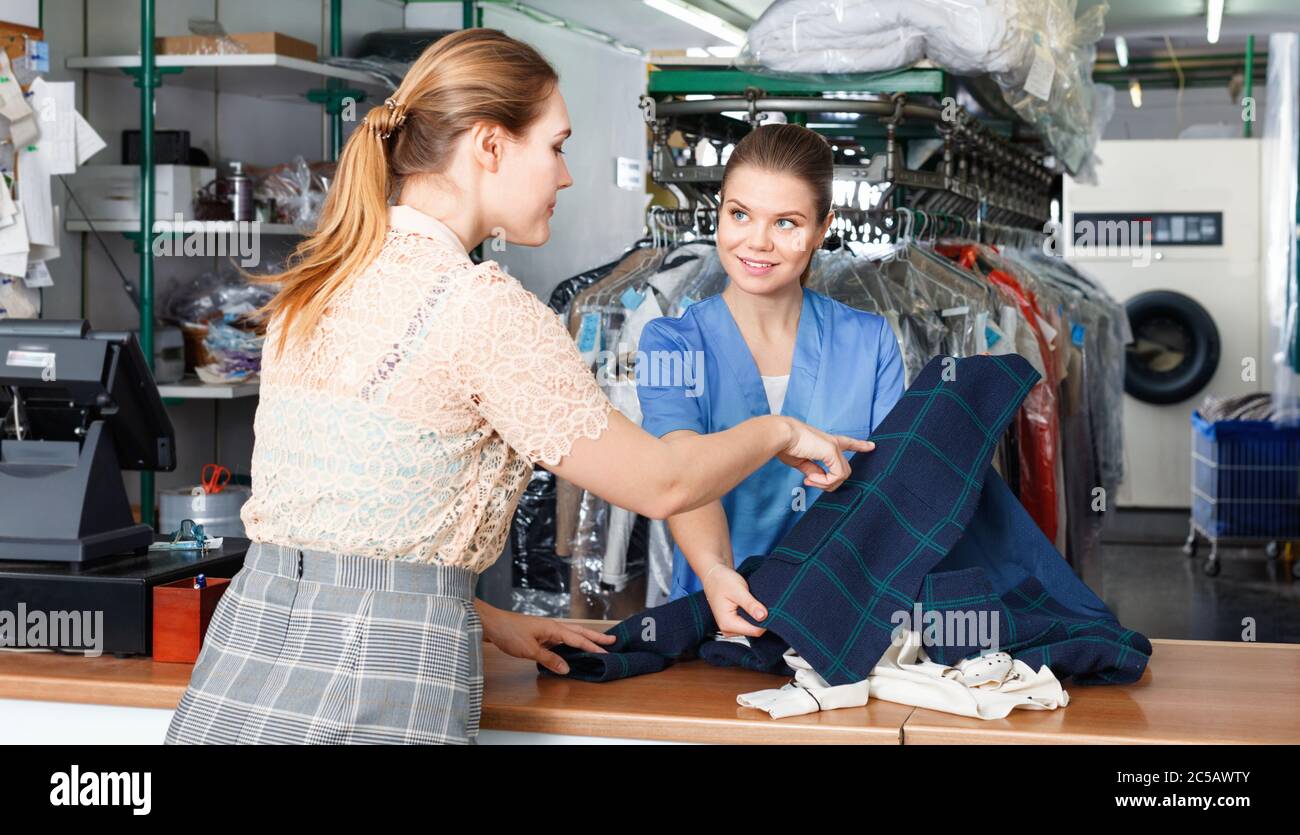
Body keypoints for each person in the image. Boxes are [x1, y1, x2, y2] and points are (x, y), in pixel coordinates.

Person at [164, 30, 869, 745]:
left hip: (238, 668)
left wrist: (486, 619)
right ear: (491, 147)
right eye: (556, 146)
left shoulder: (318, 283)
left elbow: (339, 538)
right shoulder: (481, 308)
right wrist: (781, 431)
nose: (565, 176)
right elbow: (661, 484)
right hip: (374, 684)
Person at [637, 123, 906, 637]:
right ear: (718, 213)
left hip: (840, 619)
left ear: (822, 229)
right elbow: (681, 473)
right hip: (717, 615)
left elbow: (886, 494)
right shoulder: (670, 343)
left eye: (786, 222)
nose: (756, 242)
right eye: (740, 215)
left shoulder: (869, 342)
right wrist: (717, 572)